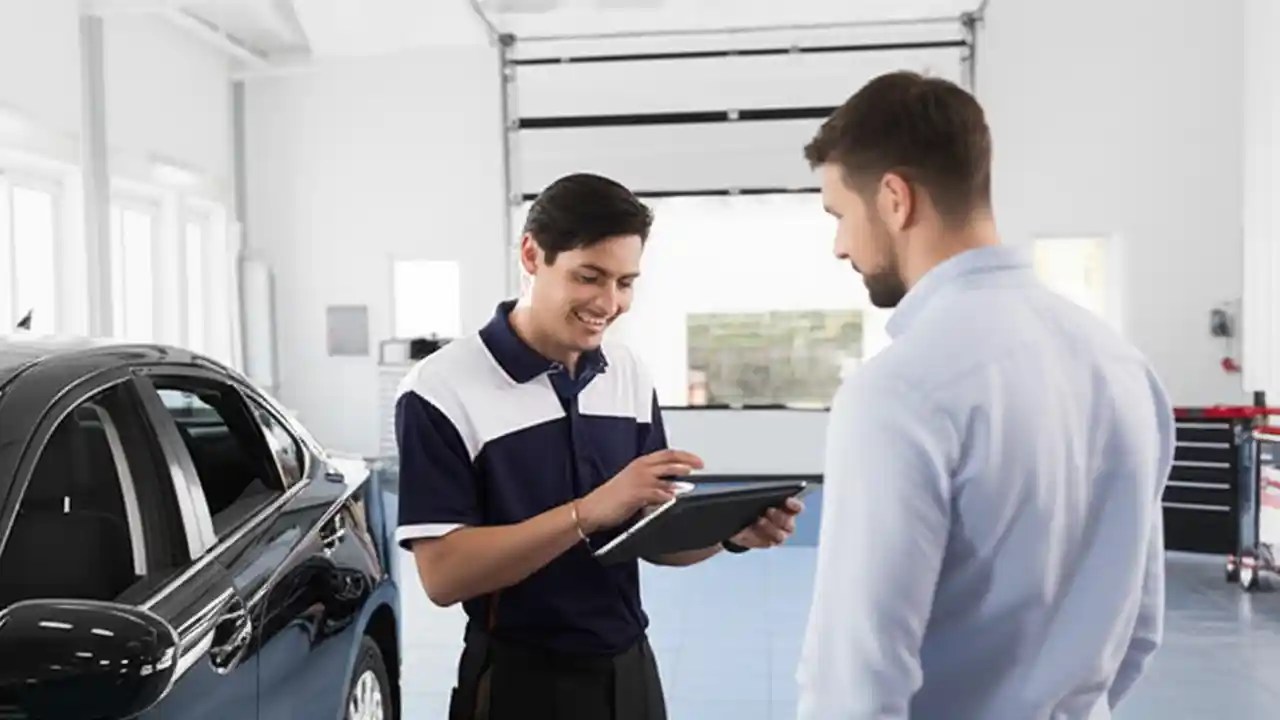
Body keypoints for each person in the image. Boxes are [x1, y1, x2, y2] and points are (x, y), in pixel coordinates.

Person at [795, 72, 1174, 719]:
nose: (839, 247)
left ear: (894, 199)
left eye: (839, 216)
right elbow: (1139, 630)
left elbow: (856, 676)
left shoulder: (899, 390)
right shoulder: (1120, 364)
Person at [395, 172, 805, 720]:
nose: (609, 303)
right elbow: (444, 576)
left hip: (630, 670)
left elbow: (649, 538)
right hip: (520, 682)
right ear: (531, 255)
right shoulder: (441, 389)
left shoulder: (627, 373)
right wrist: (588, 511)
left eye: (625, 282)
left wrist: (730, 536)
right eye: (589, 277)